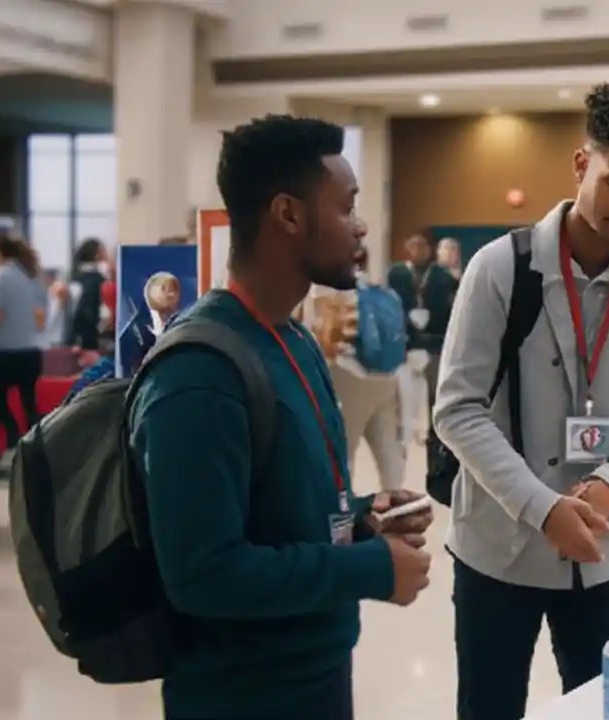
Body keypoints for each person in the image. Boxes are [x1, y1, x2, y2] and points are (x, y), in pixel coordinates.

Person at [128, 115, 434, 720]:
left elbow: (283, 520)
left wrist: (363, 519)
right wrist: (371, 568)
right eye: (346, 207)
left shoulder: (292, 341)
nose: (361, 226)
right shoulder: (197, 374)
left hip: (318, 677)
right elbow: (203, 574)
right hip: (239, 697)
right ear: (288, 214)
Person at [434, 82, 609, 720]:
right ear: (582, 164)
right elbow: (457, 408)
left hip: (603, 552)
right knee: (489, 708)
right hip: (498, 548)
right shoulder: (501, 268)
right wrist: (541, 506)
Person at [313, 246, 409, 492]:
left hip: (350, 376)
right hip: (386, 377)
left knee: (343, 448)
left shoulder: (337, 294)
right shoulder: (386, 293)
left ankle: (342, 502)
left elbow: (327, 342)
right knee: (387, 446)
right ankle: (395, 498)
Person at [387, 228, 457, 440]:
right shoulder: (395, 274)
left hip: (434, 342)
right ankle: (406, 432)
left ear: (430, 249)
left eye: (422, 246)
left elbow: (451, 310)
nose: (418, 250)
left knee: (434, 392)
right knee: (404, 394)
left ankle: (434, 434)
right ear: (407, 247)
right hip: (405, 343)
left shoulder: (442, 276)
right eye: (413, 245)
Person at [0, 233, 47, 462]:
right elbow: (41, 318)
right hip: (31, 352)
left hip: (3, 352)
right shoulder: (33, 277)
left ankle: (10, 438)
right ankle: (36, 455)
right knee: (29, 405)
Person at [118, 272, 183, 374]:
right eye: (164, 289)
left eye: (173, 290)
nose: (171, 294)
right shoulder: (133, 333)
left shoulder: (184, 326)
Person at [68, 237, 109, 351]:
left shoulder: (74, 276)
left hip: (74, 333)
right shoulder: (98, 279)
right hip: (91, 334)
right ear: (97, 255)